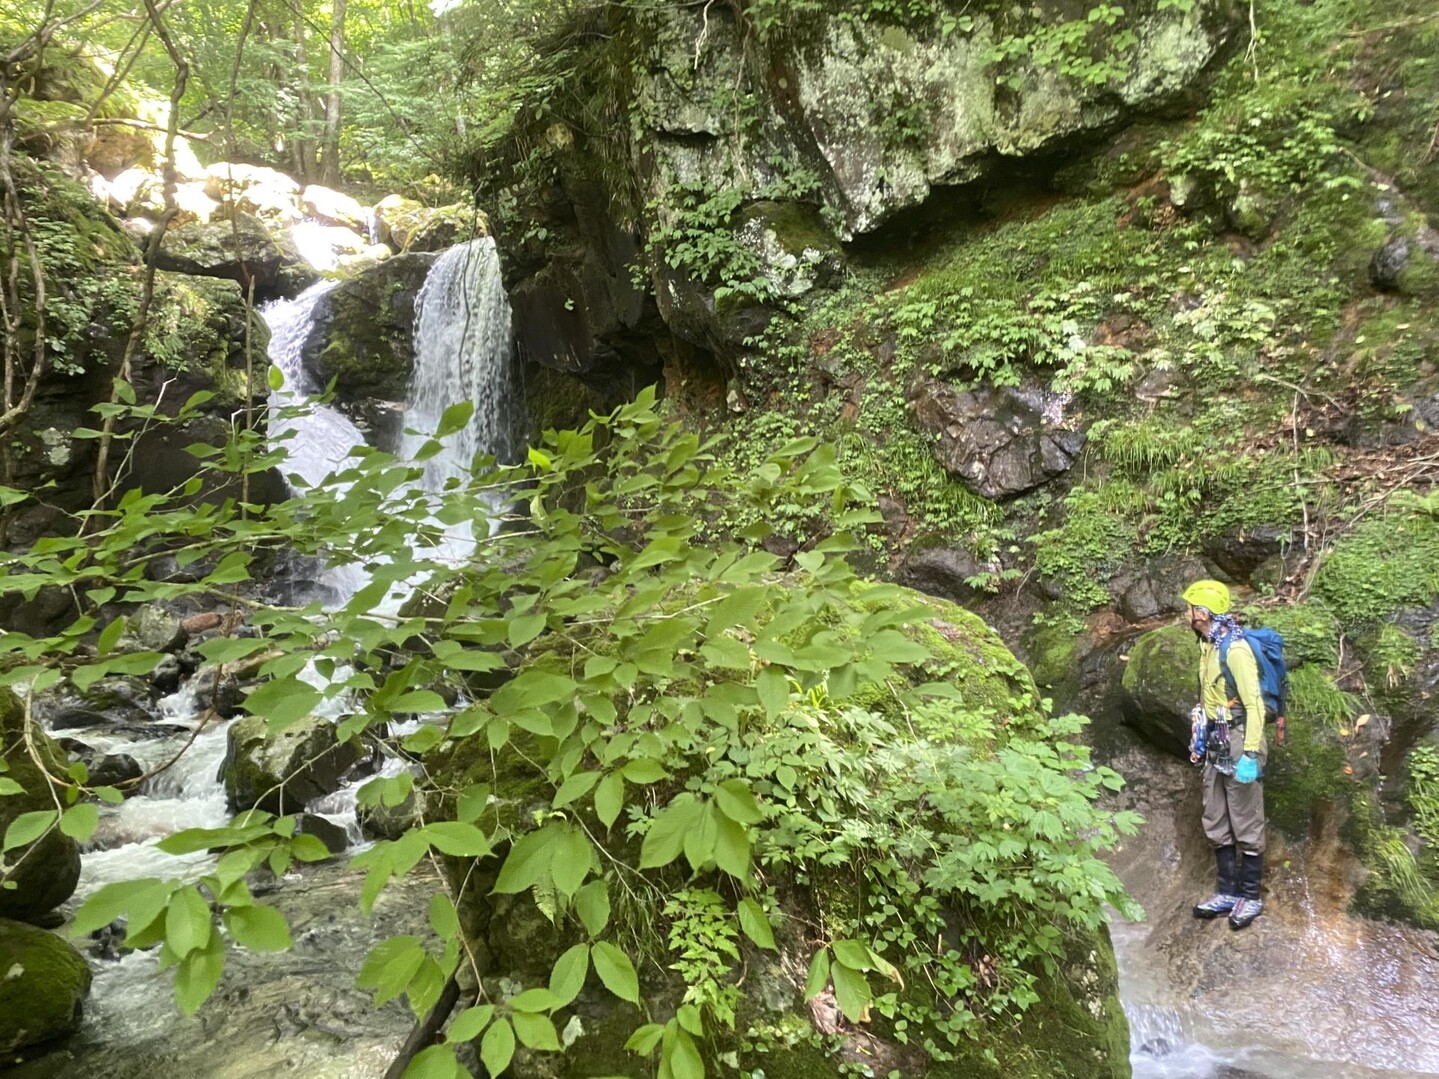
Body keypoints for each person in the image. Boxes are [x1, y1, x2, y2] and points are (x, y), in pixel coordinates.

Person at [1182, 579, 1267, 930]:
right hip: (1215, 738)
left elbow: (1255, 705)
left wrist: (1250, 753)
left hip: (1239, 738)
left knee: (1245, 816)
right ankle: (1227, 892)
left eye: (1189, 607)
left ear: (1202, 613)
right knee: (1215, 813)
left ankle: (1251, 896)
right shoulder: (1207, 643)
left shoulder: (1235, 650)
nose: (1186, 612)